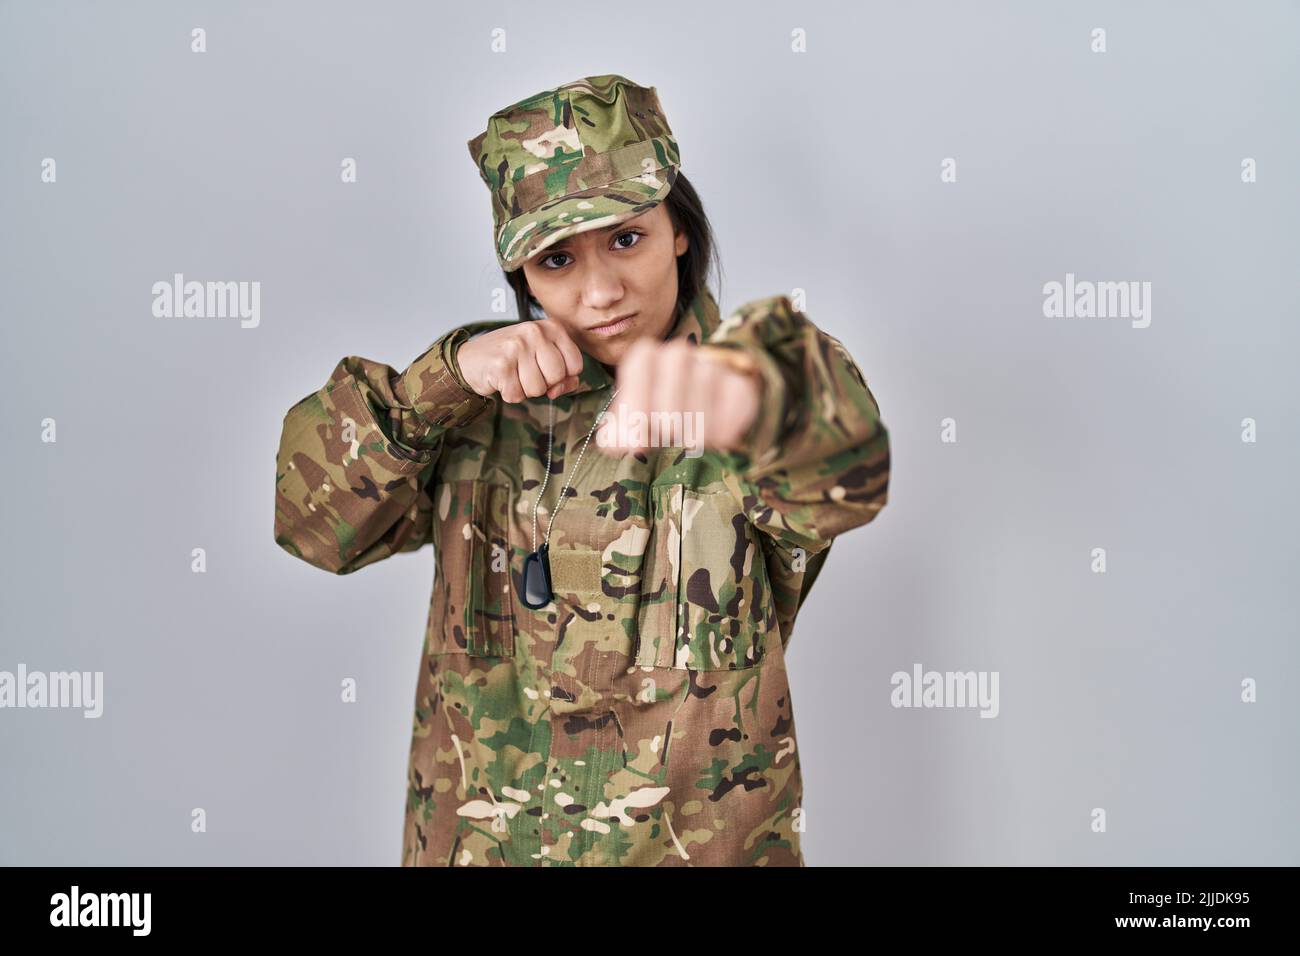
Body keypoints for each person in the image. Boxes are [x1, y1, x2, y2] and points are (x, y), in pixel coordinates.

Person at [272, 74, 890, 866]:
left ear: (679, 230)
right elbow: (313, 528)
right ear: (522, 278)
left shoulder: (756, 381)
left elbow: (841, 474)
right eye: (557, 258)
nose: (601, 291)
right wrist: (444, 380)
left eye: (626, 238)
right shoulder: (477, 405)